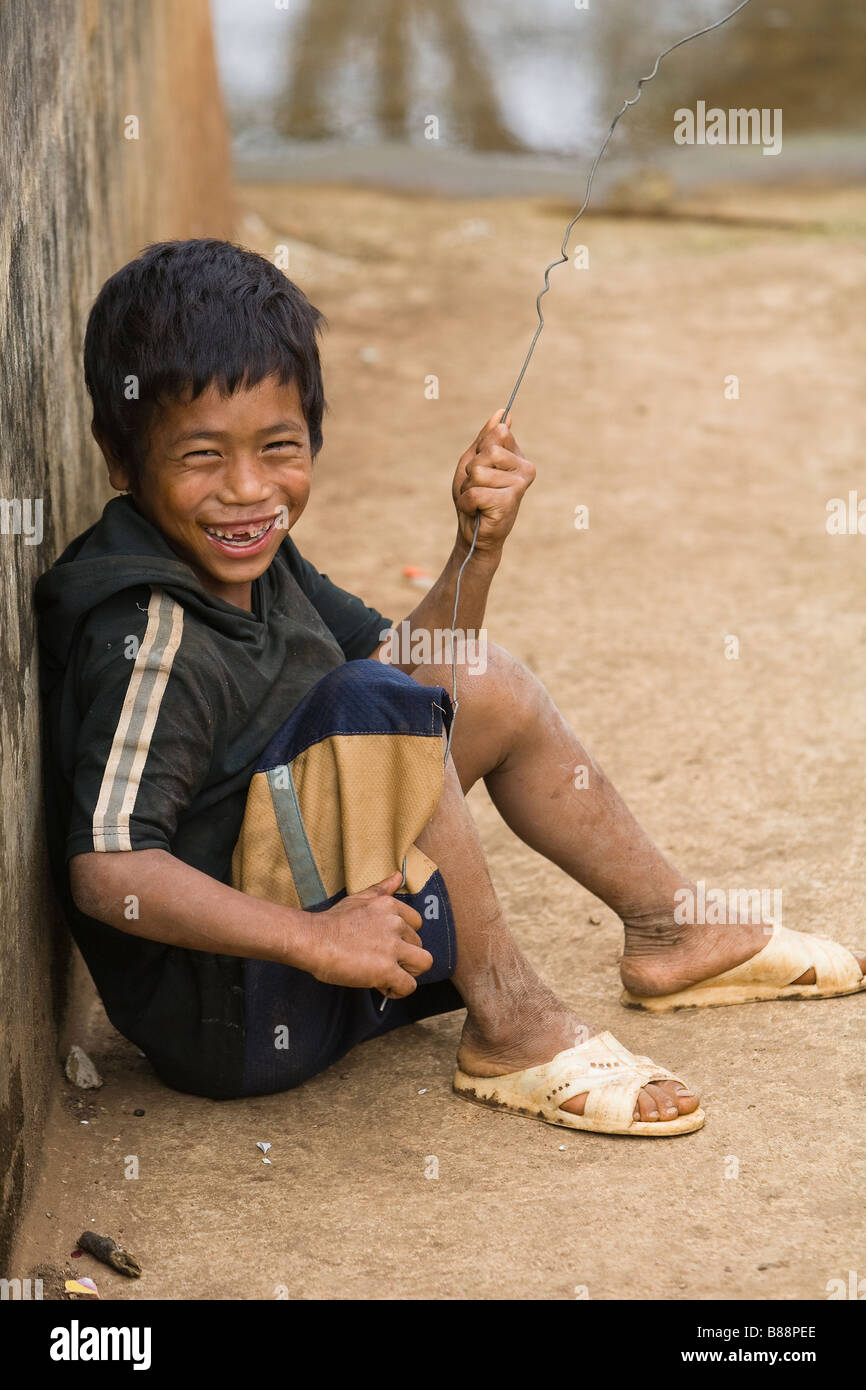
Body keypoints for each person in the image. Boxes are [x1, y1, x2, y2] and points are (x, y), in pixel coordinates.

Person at [35, 239, 865, 1137]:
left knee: (473, 679)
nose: (247, 490)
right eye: (201, 456)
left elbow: (418, 663)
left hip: (332, 943)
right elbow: (106, 870)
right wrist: (315, 938)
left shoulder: (256, 562)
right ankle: (511, 1021)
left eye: (278, 447)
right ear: (120, 458)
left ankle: (671, 929)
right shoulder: (149, 632)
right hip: (237, 1019)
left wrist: (478, 547)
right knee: (376, 705)